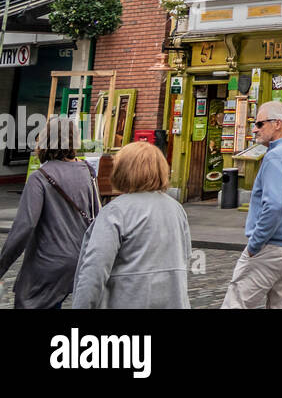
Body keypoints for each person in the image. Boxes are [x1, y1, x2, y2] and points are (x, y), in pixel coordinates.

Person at [68, 141, 191, 308]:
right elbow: (184, 258)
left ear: (122, 171)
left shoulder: (116, 211)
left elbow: (94, 269)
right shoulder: (176, 208)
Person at [222, 100, 282, 309]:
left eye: (260, 124)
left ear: (277, 124)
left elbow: (274, 206)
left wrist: (255, 244)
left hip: (274, 246)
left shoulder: (276, 157)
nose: (255, 129)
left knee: (236, 303)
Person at [0, 116, 98, 308]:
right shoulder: (87, 170)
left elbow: (24, 227)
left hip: (47, 262)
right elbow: (96, 215)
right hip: (79, 261)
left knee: (28, 302)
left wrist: (2, 265)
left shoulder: (40, 178)